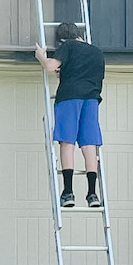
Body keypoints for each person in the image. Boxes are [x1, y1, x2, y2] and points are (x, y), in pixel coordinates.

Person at [35, 21, 105, 209]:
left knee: (67, 142)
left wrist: (41, 57)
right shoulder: (97, 53)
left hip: (69, 98)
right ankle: (92, 194)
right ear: (79, 34)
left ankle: (68, 192)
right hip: (91, 100)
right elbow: (87, 74)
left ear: (62, 38)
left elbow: (51, 66)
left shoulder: (68, 46)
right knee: (89, 145)